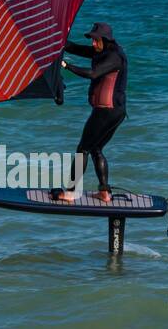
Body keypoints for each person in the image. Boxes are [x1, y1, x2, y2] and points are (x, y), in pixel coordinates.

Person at [51, 22, 127, 204]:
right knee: (95, 148)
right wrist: (57, 39)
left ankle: (70, 192)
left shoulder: (114, 56)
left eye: (96, 40)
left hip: (106, 111)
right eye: (92, 40)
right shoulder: (102, 51)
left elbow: (93, 73)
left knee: (82, 149)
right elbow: (75, 48)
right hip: (114, 111)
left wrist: (65, 65)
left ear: (105, 39)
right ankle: (104, 193)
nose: (93, 44)